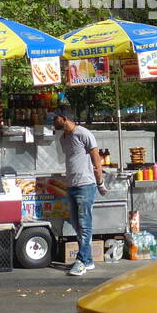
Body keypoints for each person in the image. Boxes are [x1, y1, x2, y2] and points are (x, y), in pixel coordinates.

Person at [53, 106, 107, 276]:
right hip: (71, 186)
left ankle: (82, 260)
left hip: (86, 185)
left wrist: (100, 182)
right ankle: (89, 260)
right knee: (77, 225)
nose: (53, 121)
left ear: (64, 118)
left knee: (84, 224)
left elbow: (96, 159)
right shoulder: (63, 138)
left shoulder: (83, 133)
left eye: (55, 118)